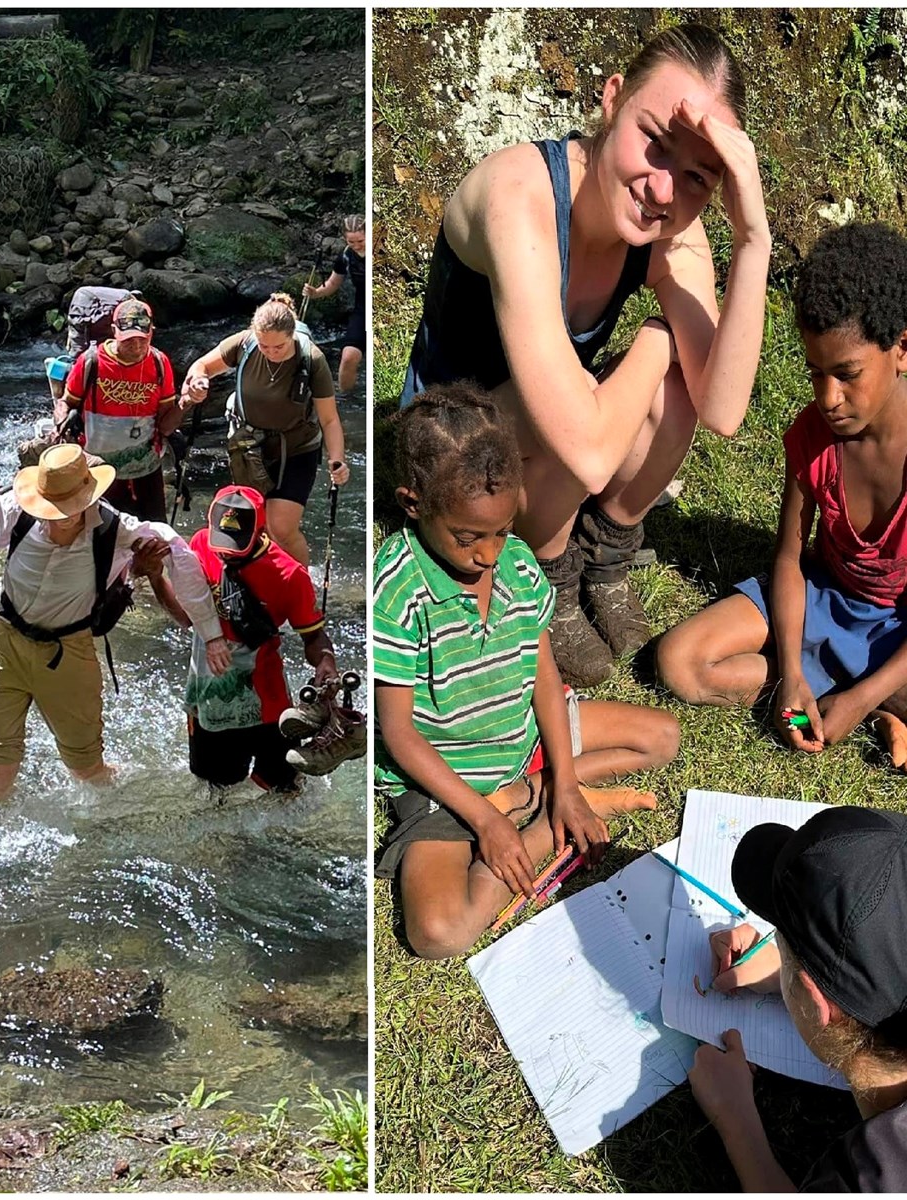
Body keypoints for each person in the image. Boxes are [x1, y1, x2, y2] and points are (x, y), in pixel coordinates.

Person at [399, 23, 769, 688]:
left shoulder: (670, 232)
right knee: (599, 404)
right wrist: (659, 341)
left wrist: (753, 239)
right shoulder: (523, 198)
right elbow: (588, 448)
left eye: (695, 176)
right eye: (654, 144)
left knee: (675, 388)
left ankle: (606, 552)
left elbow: (722, 406)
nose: (662, 190)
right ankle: (550, 576)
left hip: (540, 421)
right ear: (612, 98)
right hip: (446, 443)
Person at [373, 385, 678, 960]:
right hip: (443, 784)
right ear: (413, 504)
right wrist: (487, 820)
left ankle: (549, 792)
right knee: (439, 933)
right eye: (468, 538)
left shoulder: (513, 563)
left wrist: (563, 782)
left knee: (663, 736)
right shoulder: (396, 588)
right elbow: (401, 735)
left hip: (524, 742)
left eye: (503, 529)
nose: (489, 554)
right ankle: (536, 823)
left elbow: (541, 675)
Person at [657, 223, 907, 766]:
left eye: (846, 374)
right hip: (823, 597)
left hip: (896, 631)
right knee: (680, 662)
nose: (828, 398)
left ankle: (861, 702)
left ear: (902, 349)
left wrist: (862, 696)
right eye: (815, 373)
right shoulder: (814, 438)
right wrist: (790, 672)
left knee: (876, 684)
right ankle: (817, 700)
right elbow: (791, 559)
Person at [0, 444, 230, 802]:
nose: (54, 516)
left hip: (67, 652)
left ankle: (139, 793)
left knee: (87, 771)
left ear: (87, 500)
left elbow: (179, 554)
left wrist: (211, 635)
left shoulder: (117, 532)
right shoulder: (17, 511)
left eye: (64, 507)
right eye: (50, 505)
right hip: (2, 641)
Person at [687, 806, 907, 1190]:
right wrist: (788, 977)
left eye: (782, 951)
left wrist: (736, 1121)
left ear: (817, 1003)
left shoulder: (873, 1173)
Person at [144, 485, 341, 797]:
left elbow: (313, 635)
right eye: (220, 544)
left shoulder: (289, 576)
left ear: (261, 531)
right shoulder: (199, 545)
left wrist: (326, 662)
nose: (224, 553)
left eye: (235, 547)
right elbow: (186, 618)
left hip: (267, 705)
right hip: (210, 704)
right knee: (216, 791)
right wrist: (156, 576)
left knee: (285, 790)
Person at [183, 293, 351, 564]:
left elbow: (329, 419)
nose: (272, 353)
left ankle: (300, 587)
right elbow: (201, 366)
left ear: (292, 336)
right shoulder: (244, 344)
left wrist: (337, 459)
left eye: (280, 347)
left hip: (297, 448)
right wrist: (197, 382)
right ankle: (268, 580)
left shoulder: (312, 359)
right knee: (256, 524)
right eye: (265, 346)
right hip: (249, 447)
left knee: (282, 527)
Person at [53, 297, 187, 522]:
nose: (136, 347)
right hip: (99, 467)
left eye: (142, 340)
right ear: (114, 331)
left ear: (152, 332)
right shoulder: (90, 362)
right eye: (128, 340)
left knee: (156, 532)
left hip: (146, 466)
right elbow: (66, 402)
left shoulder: (159, 363)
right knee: (107, 531)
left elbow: (165, 422)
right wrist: (62, 421)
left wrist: (187, 402)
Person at [303, 215, 367, 397]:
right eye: (351, 241)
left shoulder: (381, 248)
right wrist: (314, 292)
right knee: (348, 357)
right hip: (362, 309)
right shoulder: (346, 256)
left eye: (361, 241)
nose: (356, 245)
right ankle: (346, 397)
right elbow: (332, 284)